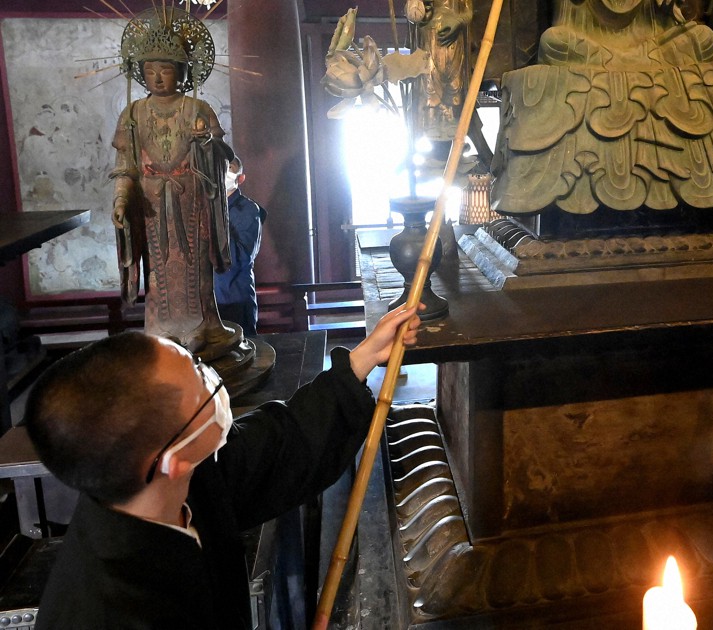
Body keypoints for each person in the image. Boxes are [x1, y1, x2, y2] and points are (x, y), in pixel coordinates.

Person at [23, 304, 423, 628]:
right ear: (172, 460)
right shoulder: (111, 612)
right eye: (203, 384)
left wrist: (363, 357)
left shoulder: (170, 480)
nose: (216, 385)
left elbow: (281, 445)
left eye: (198, 365)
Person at [111, 10, 236, 354]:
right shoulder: (133, 114)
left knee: (195, 267)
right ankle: (160, 329)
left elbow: (224, 156)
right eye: (150, 69)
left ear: (183, 71)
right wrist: (121, 200)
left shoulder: (198, 108)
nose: (157, 77)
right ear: (140, 72)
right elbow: (125, 166)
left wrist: (205, 144)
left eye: (166, 69)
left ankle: (204, 326)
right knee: (158, 268)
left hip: (191, 200)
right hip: (150, 205)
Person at [215, 157, 267, 335]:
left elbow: (240, 257)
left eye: (229, 168)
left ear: (240, 178)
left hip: (235, 300)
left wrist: (216, 220)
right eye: (219, 167)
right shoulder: (206, 208)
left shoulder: (248, 210)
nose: (223, 173)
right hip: (209, 303)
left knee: (242, 348)